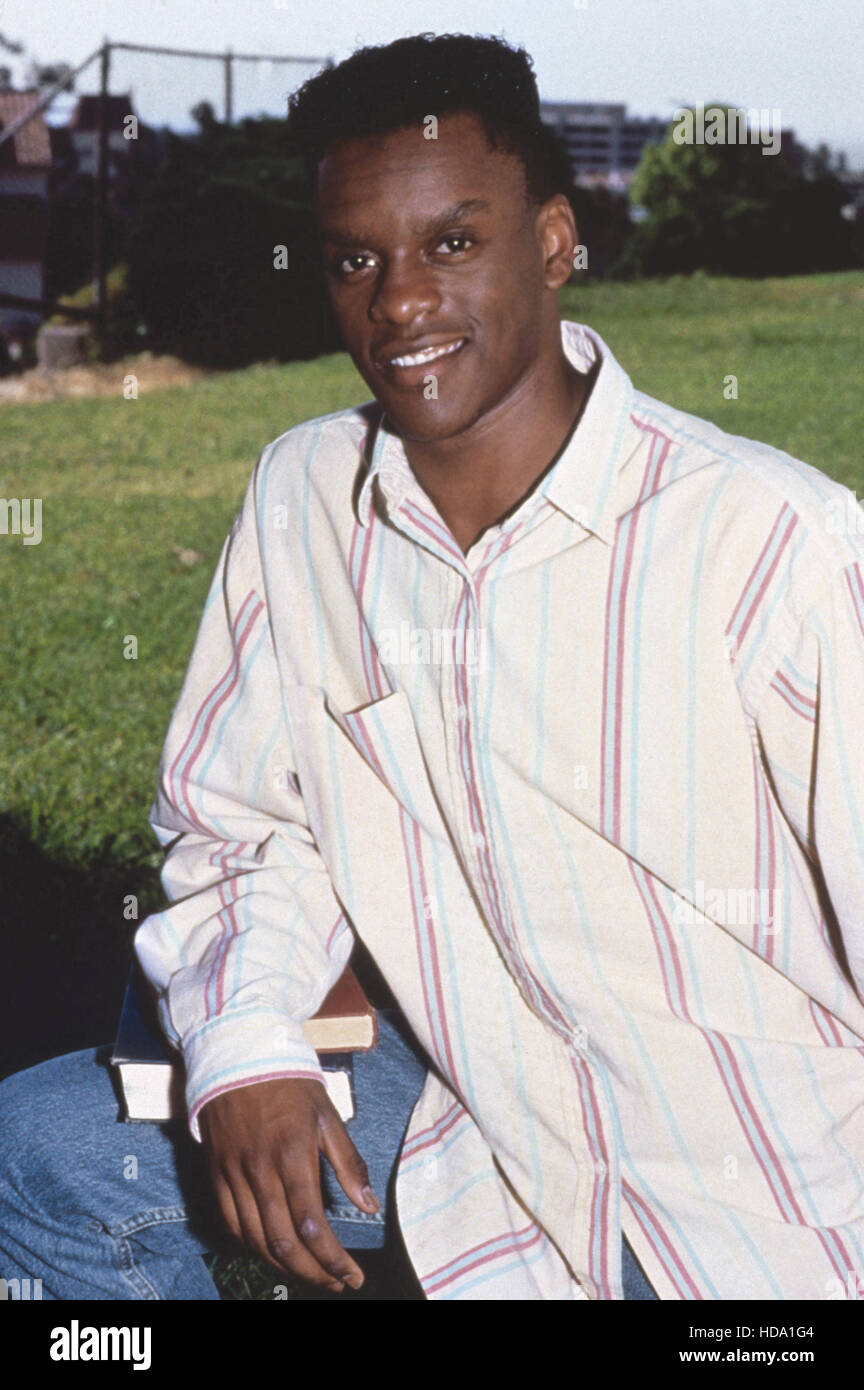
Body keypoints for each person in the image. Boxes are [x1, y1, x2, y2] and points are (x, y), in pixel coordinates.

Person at [2, 31, 864, 1302]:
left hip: (760, 1192)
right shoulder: (306, 497)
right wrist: (245, 1047)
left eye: (453, 242)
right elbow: (243, 824)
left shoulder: (775, 543)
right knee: (43, 1159)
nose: (399, 301)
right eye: (359, 258)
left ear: (556, 241)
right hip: (480, 1119)